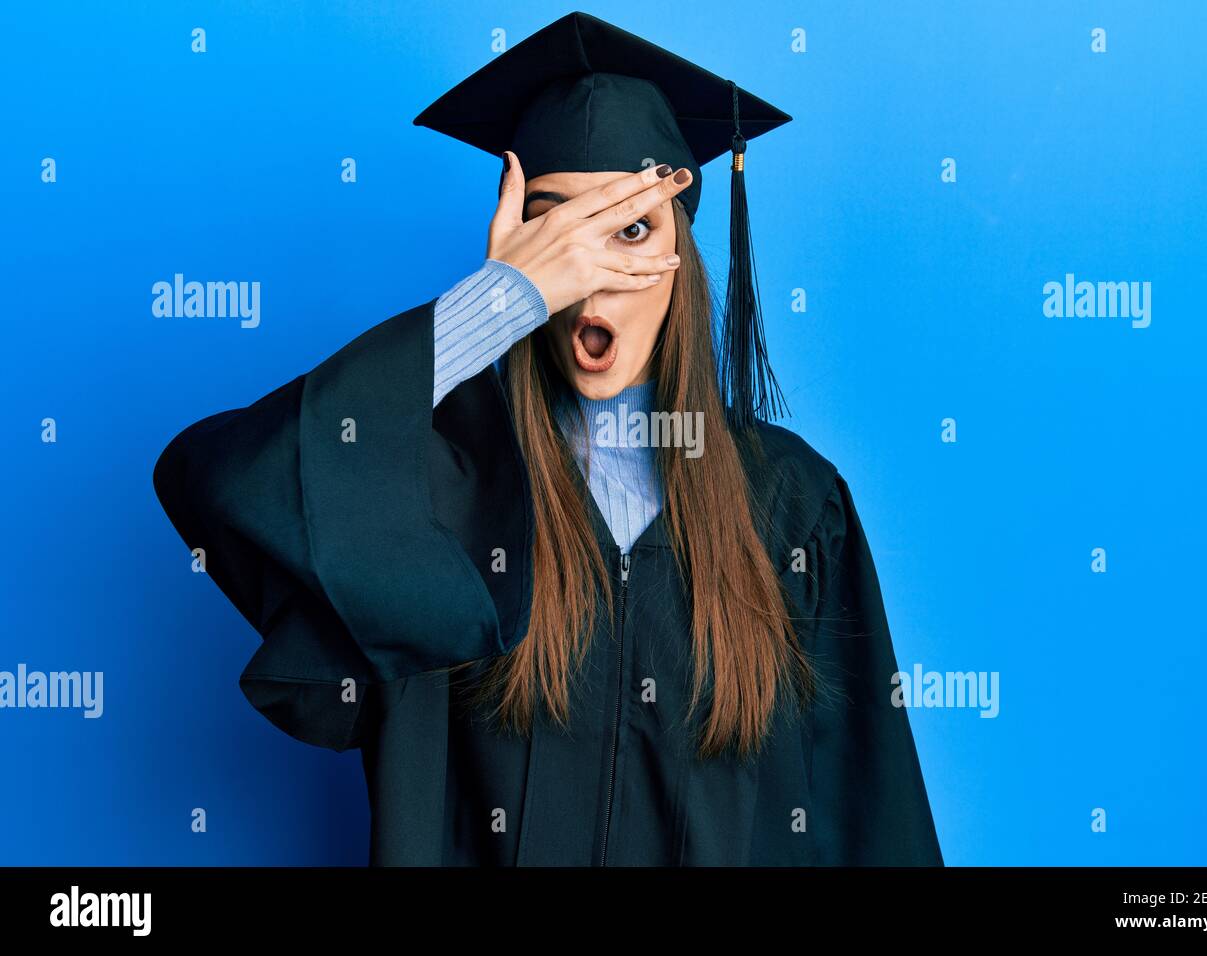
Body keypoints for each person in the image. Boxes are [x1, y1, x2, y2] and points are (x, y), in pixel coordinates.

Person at [152, 11, 943, 866]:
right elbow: (223, 484)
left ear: (683, 250)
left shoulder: (791, 507)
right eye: (553, 232)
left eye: (630, 230)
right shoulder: (438, 491)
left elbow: (868, 818)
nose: (587, 275)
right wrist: (493, 307)